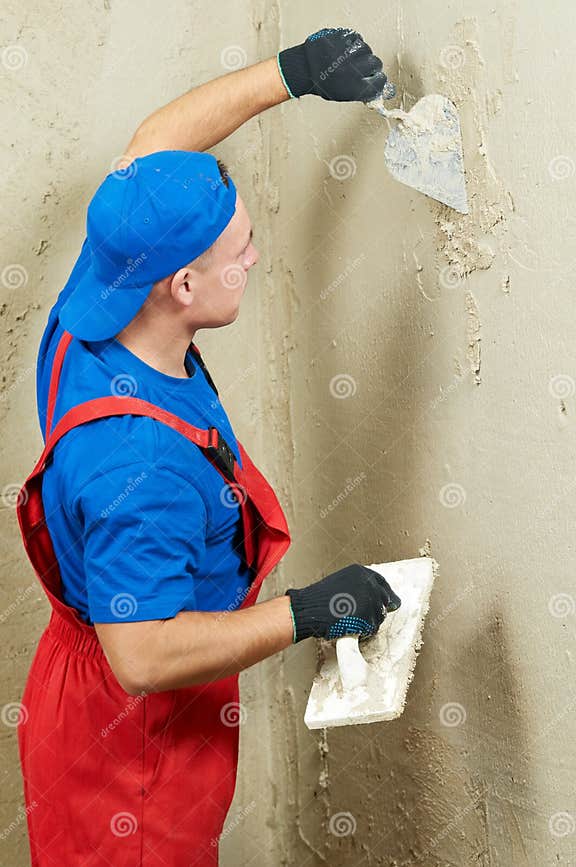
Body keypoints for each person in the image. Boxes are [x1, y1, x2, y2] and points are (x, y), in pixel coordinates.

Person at [15, 26, 401, 866]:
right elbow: (142, 653)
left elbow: (155, 148)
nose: (255, 258)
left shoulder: (94, 310)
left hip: (82, 694)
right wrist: (303, 612)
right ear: (183, 283)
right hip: (130, 757)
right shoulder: (139, 464)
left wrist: (294, 73)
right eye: (242, 248)